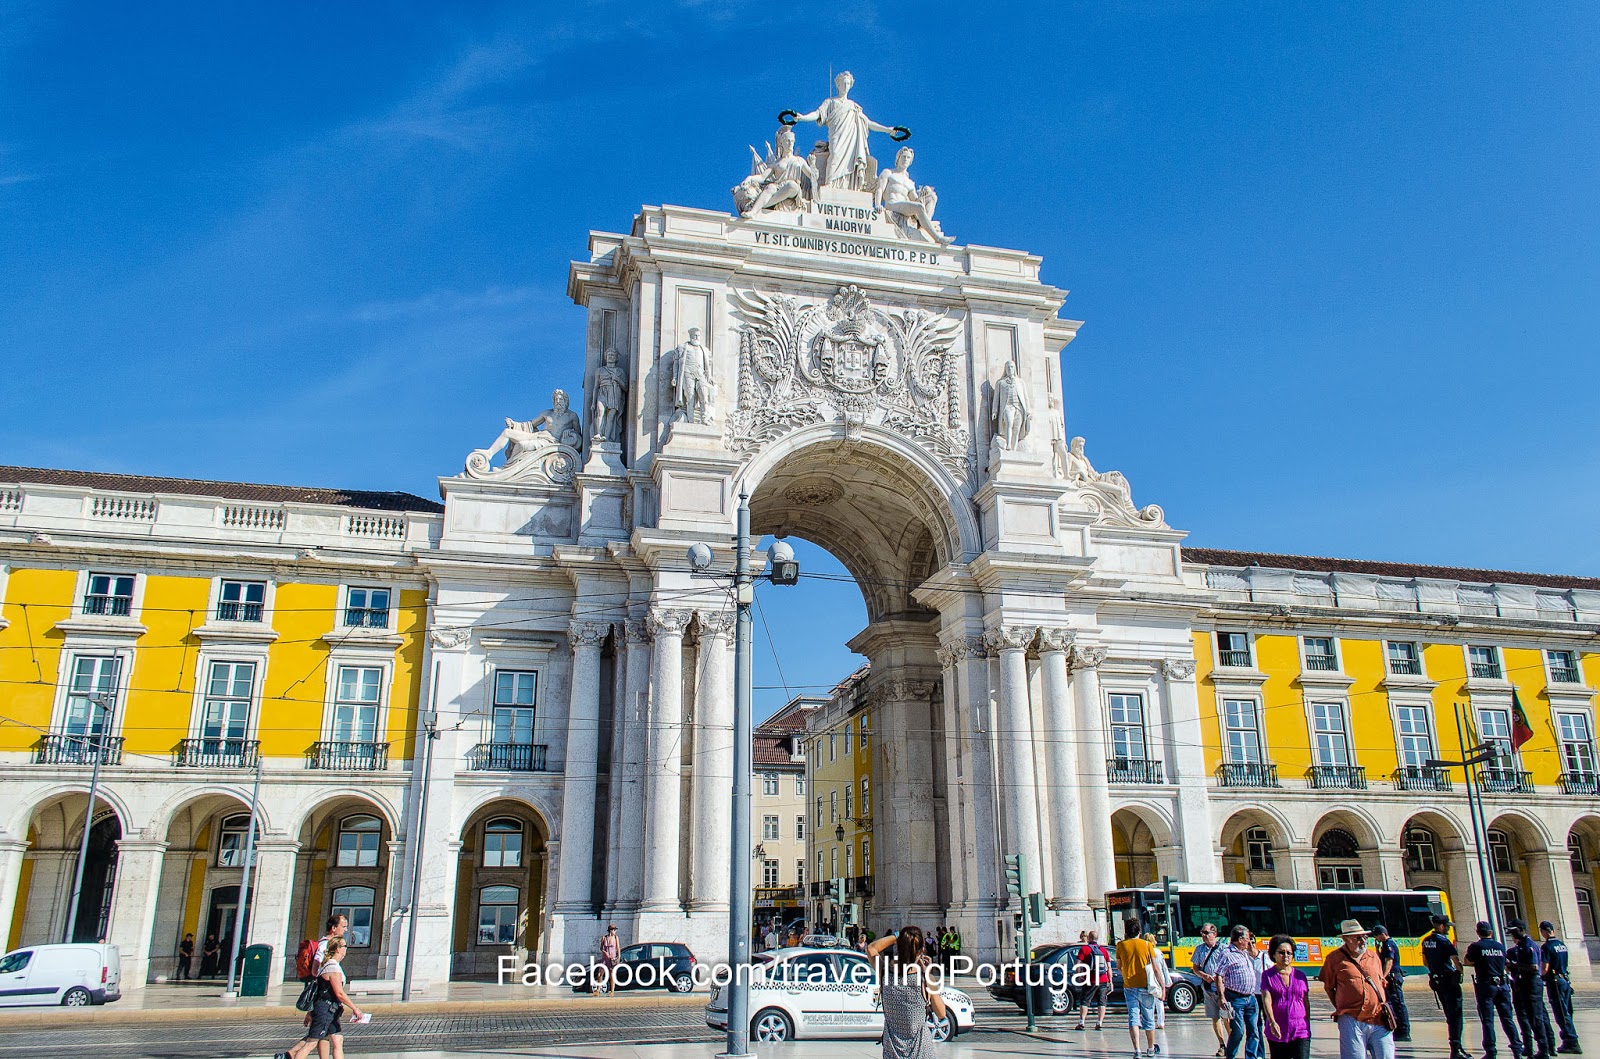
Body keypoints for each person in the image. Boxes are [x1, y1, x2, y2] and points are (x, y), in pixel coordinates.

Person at [789, 70, 902, 191]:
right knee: (835, 155)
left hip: (851, 140)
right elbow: (817, 114)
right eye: (843, 83)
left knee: (850, 162)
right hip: (837, 136)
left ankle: (850, 188)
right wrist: (802, 118)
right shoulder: (830, 103)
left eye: (848, 83)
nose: (845, 86)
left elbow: (868, 123)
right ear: (837, 84)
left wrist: (887, 130)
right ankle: (830, 183)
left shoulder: (854, 106)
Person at [279, 936, 364, 1059]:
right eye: (345, 946)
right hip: (325, 1010)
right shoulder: (332, 968)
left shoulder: (328, 965)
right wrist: (355, 1008)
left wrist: (311, 1012)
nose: (347, 948)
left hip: (329, 1010)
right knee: (311, 1043)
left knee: (337, 1040)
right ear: (338, 949)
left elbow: (320, 992)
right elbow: (339, 993)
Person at [867, 927, 946, 1059]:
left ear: (897, 948)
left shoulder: (885, 974)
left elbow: (871, 949)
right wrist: (925, 970)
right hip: (922, 1051)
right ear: (921, 952)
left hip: (892, 1051)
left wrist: (897, 936)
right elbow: (941, 1013)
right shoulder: (925, 979)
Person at [1321, 919, 1394, 1059]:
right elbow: (1329, 987)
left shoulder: (1373, 956)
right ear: (1346, 939)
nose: (1363, 940)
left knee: (1387, 1055)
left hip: (1379, 1018)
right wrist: (1341, 1006)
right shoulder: (1334, 959)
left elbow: (1381, 982)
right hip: (1351, 1019)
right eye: (1358, 937)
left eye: (1364, 937)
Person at [1465, 920, 1524, 1059]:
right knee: (1507, 1019)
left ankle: (1491, 1051)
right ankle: (1517, 1049)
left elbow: (1467, 961)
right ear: (1491, 932)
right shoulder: (1500, 946)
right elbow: (1504, 963)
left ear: (1478, 932)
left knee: (1488, 1020)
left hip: (1486, 985)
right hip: (1502, 985)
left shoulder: (1476, 946)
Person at [1422, 914, 1471, 1059]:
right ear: (1441, 926)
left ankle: (1456, 1047)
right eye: (1447, 926)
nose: (1449, 929)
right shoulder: (1445, 942)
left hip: (1437, 981)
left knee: (1449, 1015)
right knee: (1456, 1015)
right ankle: (1456, 1049)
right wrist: (1459, 971)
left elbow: (1425, 962)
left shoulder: (1426, 941)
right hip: (1449, 981)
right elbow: (1456, 961)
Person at [1508, 921, 1556, 1059]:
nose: (1512, 934)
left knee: (1536, 1017)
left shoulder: (1528, 945)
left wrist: (1514, 965)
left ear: (1521, 930)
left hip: (1532, 984)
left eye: (1514, 931)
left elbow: (1534, 966)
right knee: (1529, 1016)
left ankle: (1544, 1048)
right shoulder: (1521, 946)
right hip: (1524, 984)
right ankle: (1532, 1047)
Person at [1260, 934, 1312, 1059]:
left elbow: (1306, 1001)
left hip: (1300, 1030)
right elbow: (1266, 1000)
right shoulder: (1268, 976)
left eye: (1289, 953)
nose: (1286, 956)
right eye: (1281, 952)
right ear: (1273, 954)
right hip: (1277, 1031)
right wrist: (1272, 1022)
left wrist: (1307, 1024)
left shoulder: (1301, 976)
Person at [1217, 925, 1265, 1059]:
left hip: (1251, 998)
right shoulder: (1227, 954)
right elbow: (1219, 975)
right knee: (1238, 1031)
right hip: (1236, 998)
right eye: (1248, 938)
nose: (1250, 942)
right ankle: (1230, 1055)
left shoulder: (1245, 952)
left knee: (1254, 1031)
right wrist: (1221, 997)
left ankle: (1251, 1056)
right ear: (1240, 939)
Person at [1116, 918, 1160, 1059]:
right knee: (1149, 1019)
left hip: (1129, 986)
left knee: (1133, 1018)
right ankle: (1151, 1048)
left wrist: (1126, 976)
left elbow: (1119, 966)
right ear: (1139, 931)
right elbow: (1155, 968)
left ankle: (1137, 1050)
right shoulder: (1147, 945)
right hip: (1145, 986)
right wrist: (1163, 987)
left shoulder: (1121, 945)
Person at [1539, 921, 1582, 1054]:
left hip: (1555, 981)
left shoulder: (1546, 947)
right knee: (1567, 1011)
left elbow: (1545, 968)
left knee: (1561, 1012)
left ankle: (1571, 1040)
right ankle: (1569, 1037)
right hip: (1564, 979)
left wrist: (1540, 975)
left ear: (1544, 931)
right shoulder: (1562, 945)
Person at [1193, 922, 1234, 1058]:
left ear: (1214, 934)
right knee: (1214, 1017)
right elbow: (1195, 968)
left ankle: (1232, 1043)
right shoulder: (1199, 949)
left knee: (1226, 1017)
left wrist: (1219, 977)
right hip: (1208, 988)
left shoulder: (1223, 949)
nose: (1203, 936)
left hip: (1222, 989)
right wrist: (1204, 975)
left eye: (1206, 933)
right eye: (1202, 933)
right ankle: (1222, 1044)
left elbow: (1229, 967)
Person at [1372, 924, 1411, 1042]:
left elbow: (1389, 962)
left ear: (1382, 934)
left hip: (1393, 978)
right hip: (1391, 978)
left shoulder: (1389, 944)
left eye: (1376, 936)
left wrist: (1382, 977)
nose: (1376, 938)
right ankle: (1397, 1027)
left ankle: (1404, 1031)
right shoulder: (1384, 945)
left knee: (1398, 1004)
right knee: (1392, 1004)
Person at [1074, 929, 1114, 1031]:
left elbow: (1078, 964)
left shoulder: (1084, 949)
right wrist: (1110, 981)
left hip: (1090, 979)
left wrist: (1079, 975)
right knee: (1102, 1001)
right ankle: (1099, 1022)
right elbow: (1109, 967)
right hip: (1103, 979)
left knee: (1085, 1000)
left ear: (1089, 938)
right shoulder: (1104, 951)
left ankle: (1082, 1022)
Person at [1144, 931, 1172, 1056]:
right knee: (1159, 1001)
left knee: (1147, 1003)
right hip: (1157, 978)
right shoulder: (1158, 952)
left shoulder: (1144, 951)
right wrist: (1166, 981)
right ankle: (1160, 1022)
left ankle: (1148, 1022)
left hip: (1148, 979)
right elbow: (1162, 967)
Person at [599, 923, 621, 996]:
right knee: (600, 974)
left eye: (615, 930)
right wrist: (605, 953)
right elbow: (601, 948)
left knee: (611, 974)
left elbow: (618, 947)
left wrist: (618, 956)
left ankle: (612, 991)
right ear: (610, 930)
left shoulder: (615, 938)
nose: (615, 931)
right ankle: (598, 989)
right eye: (614, 930)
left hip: (612, 957)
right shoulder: (604, 938)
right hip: (605, 958)